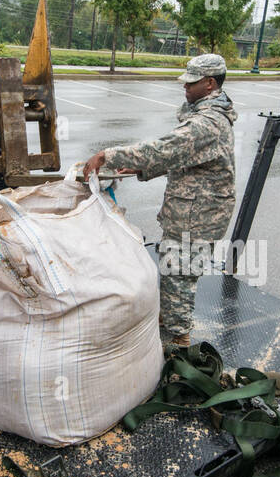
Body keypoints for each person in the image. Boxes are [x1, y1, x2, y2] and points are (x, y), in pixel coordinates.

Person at [84, 53, 237, 348]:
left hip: (199, 214)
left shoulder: (207, 123)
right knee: (173, 264)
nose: (185, 87)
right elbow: (184, 158)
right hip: (191, 209)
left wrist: (108, 156)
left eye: (191, 82)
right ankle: (170, 316)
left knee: (179, 272)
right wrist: (142, 169)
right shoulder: (207, 115)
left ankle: (179, 341)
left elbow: (164, 149)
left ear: (209, 84)